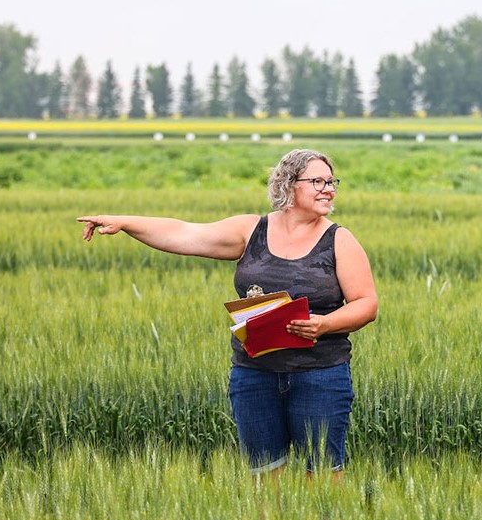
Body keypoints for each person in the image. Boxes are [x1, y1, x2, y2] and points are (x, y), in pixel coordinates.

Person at [78, 149, 378, 479]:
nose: (328, 189)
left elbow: (366, 304)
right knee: (264, 476)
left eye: (331, 181)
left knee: (321, 476)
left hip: (319, 376)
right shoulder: (251, 231)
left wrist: (324, 324)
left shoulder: (339, 239)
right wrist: (124, 222)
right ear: (288, 184)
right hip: (254, 376)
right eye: (317, 181)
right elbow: (183, 233)